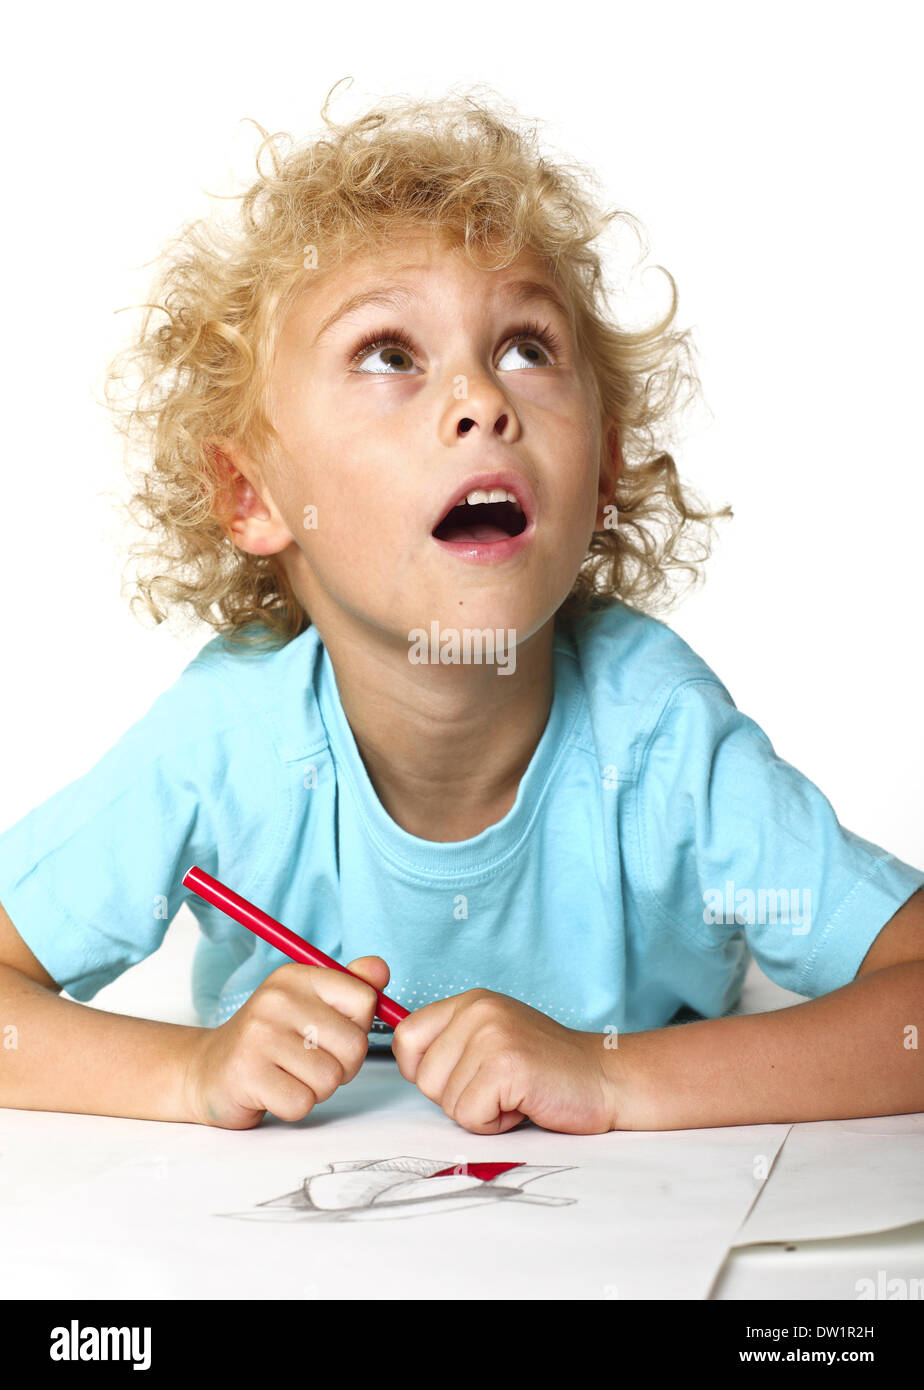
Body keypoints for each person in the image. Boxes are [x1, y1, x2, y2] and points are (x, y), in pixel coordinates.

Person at [1, 80, 921, 1136]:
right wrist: (190, 1071)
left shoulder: (657, 737)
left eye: (527, 348)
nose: (483, 399)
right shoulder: (227, 744)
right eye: (389, 355)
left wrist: (612, 1077)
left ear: (606, 463)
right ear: (253, 494)